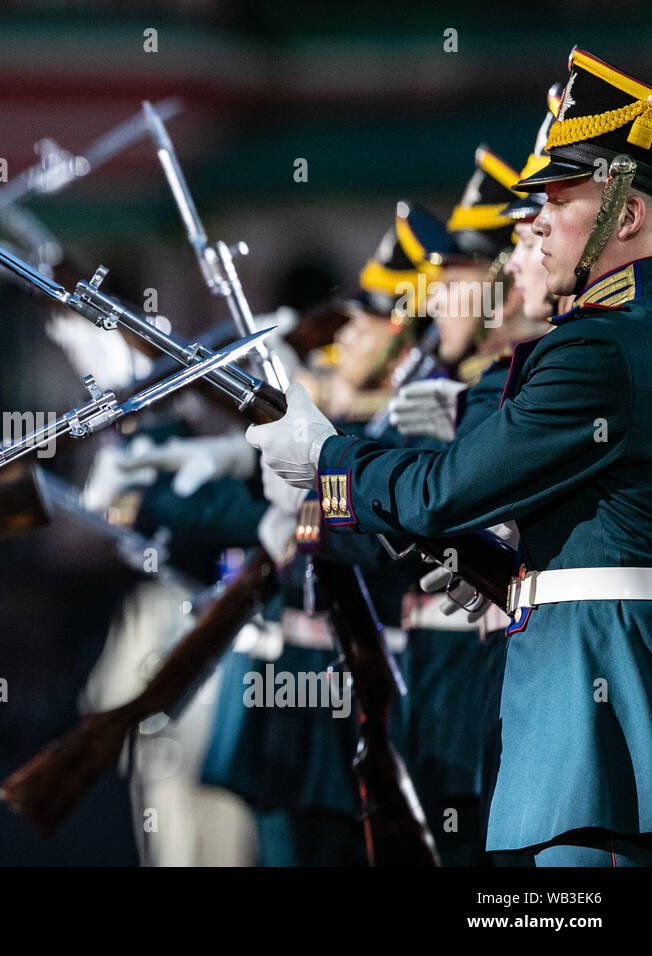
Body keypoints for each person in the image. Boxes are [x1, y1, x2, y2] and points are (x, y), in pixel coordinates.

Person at [248, 47, 652, 866]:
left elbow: (446, 492)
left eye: (557, 196)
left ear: (629, 216)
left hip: (588, 707)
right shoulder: (612, 339)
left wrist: (331, 461)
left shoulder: (597, 351)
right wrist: (498, 570)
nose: (533, 223)